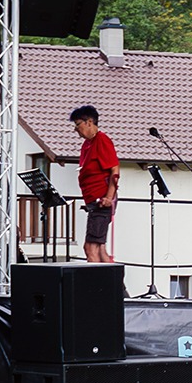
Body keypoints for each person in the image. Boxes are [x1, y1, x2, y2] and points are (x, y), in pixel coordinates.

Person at [71, 105, 119, 264]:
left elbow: (114, 170)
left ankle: (100, 287)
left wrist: (108, 197)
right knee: (99, 248)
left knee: (90, 248)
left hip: (102, 201)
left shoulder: (102, 140)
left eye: (78, 124)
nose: (76, 129)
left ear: (89, 122)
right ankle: (117, 288)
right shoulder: (87, 144)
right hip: (93, 201)